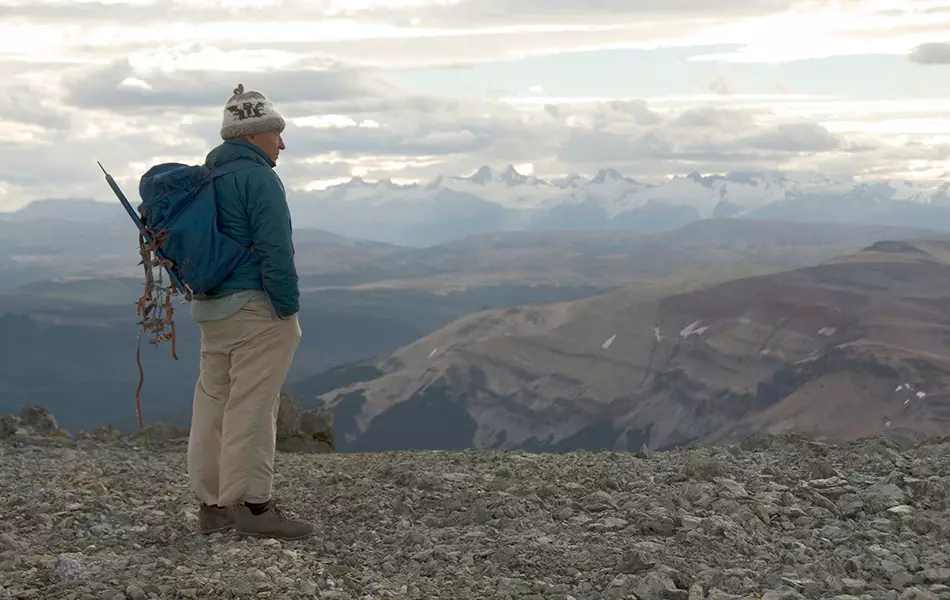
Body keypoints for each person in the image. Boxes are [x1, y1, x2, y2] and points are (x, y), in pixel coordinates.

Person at [185, 84, 312, 540]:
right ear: (254, 134)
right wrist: (288, 309)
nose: (282, 142)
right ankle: (254, 506)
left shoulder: (207, 175)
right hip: (256, 307)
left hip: (211, 307)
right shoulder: (259, 178)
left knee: (214, 401)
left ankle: (212, 505)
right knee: (254, 405)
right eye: (276, 132)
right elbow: (277, 250)